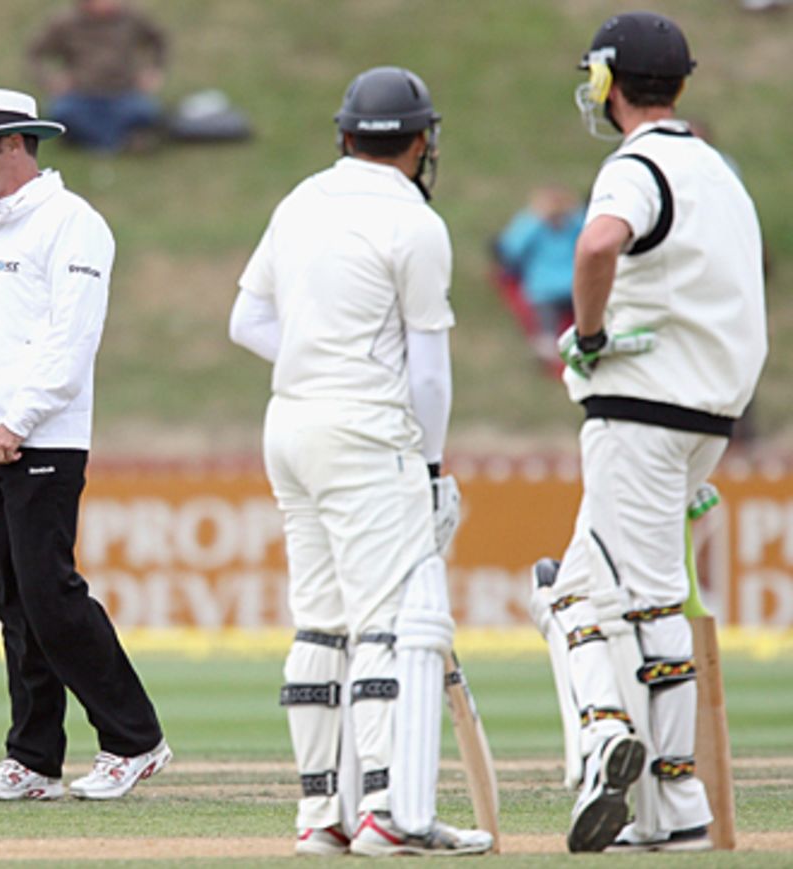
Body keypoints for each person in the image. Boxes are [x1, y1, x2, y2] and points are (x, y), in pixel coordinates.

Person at [229, 66, 493, 858]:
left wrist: (315, 361)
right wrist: (434, 465)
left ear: (345, 135)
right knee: (384, 621)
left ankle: (322, 818)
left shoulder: (300, 198)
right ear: (418, 142)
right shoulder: (414, 221)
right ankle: (386, 810)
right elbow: (432, 372)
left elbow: (248, 320)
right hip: (365, 433)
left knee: (321, 617)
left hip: (290, 424)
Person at [530, 12, 766, 853]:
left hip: (641, 407)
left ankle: (665, 781)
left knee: (650, 594)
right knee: (570, 591)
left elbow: (598, 244)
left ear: (607, 82)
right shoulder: (718, 171)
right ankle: (620, 754)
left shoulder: (638, 164)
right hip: (711, 411)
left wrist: (589, 334)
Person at [0, 88, 170, 802]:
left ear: (14, 145)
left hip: (39, 438)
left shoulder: (73, 223)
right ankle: (33, 757)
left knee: (50, 594)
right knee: (14, 601)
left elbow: (72, 336)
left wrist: (20, 418)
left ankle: (134, 738)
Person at [28, 0, 167, 152]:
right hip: (83, 95)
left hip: (123, 93)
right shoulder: (66, 22)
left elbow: (159, 40)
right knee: (62, 112)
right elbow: (35, 53)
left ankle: (119, 140)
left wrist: (154, 71)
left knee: (146, 111)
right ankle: (102, 141)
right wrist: (50, 80)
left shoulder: (132, 18)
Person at [493, 185, 583, 369]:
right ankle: (550, 350)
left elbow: (510, 250)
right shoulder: (534, 226)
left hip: (561, 286)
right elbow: (511, 248)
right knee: (548, 320)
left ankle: (561, 347)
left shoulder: (574, 224)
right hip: (553, 288)